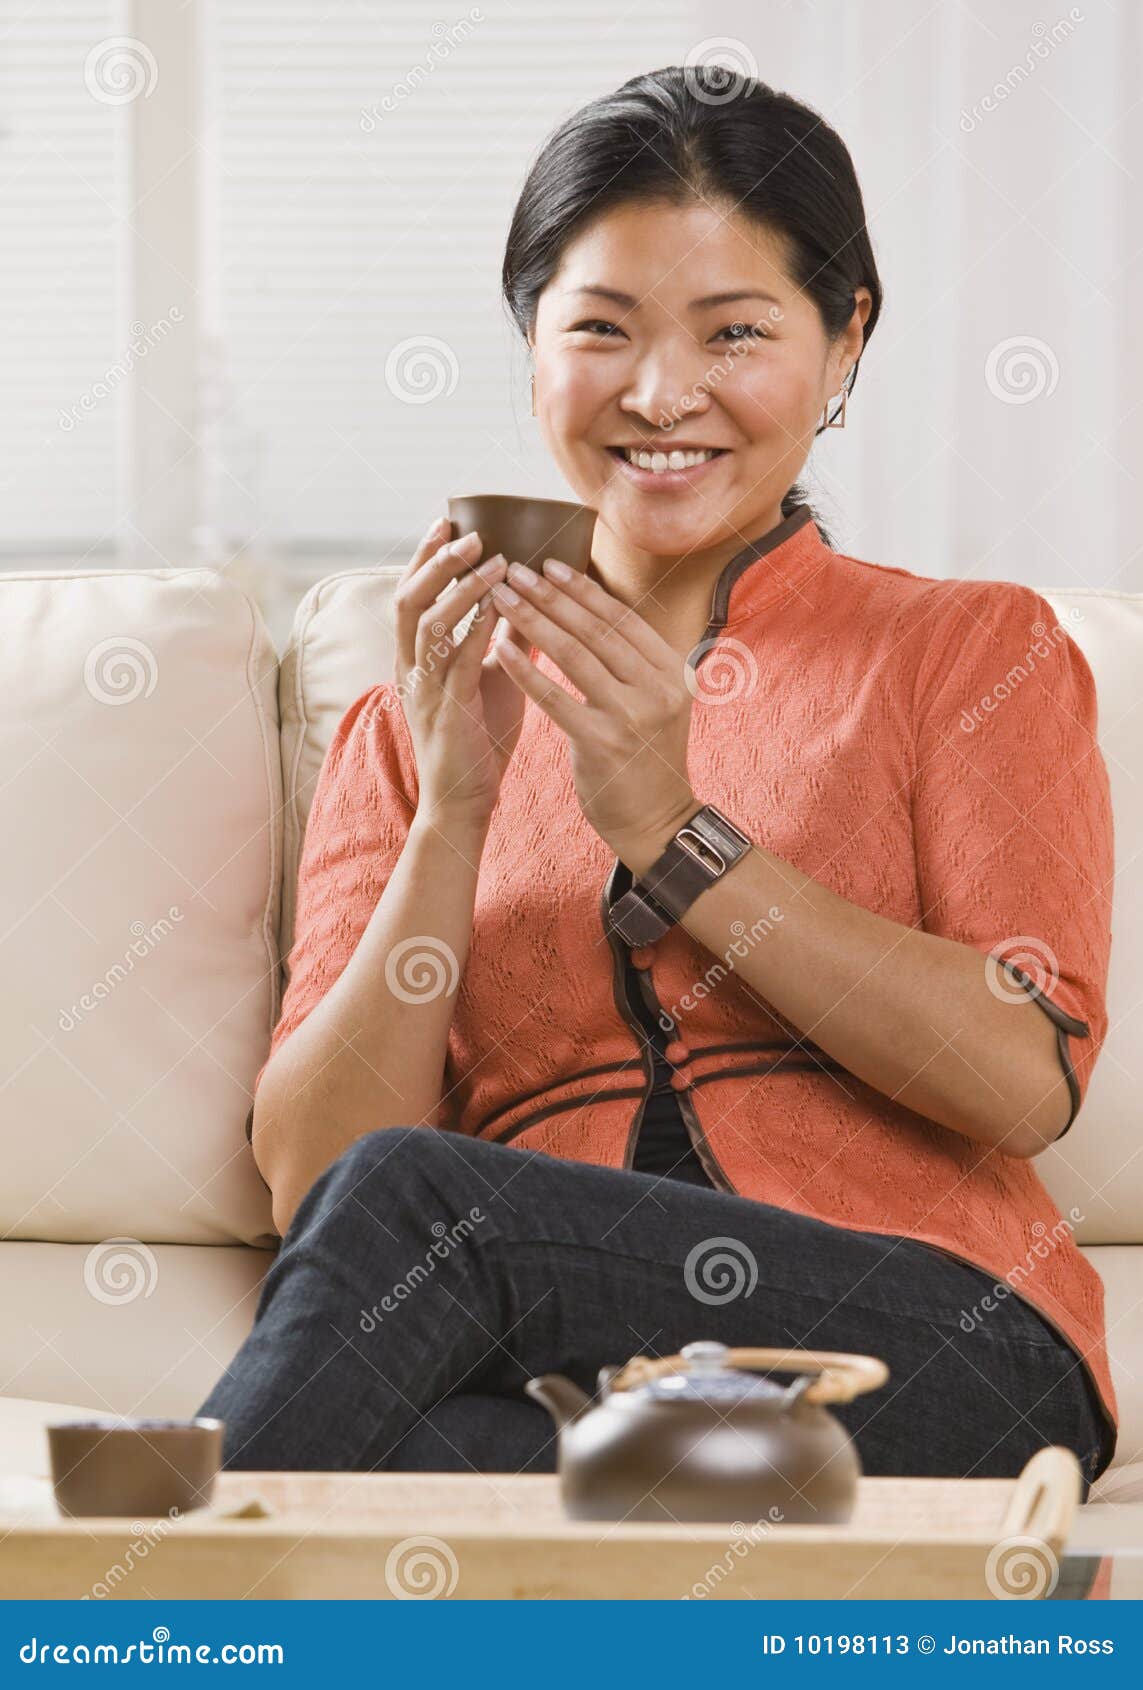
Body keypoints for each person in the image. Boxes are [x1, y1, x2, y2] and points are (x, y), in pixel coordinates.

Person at [198, 64, 1117, 1496]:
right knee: (384, 1473)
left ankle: (111, 1622)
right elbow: (320, 1174)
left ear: (844, 340)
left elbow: (1020, 1076)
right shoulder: (412, 714)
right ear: (533, 347)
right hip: (591, 1392)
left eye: (735, 332)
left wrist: (672, 833)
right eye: (602, 332)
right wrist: (456, 807)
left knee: (419, 1220)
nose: (660, 394)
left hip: (933, 1347)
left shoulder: (967, 651)